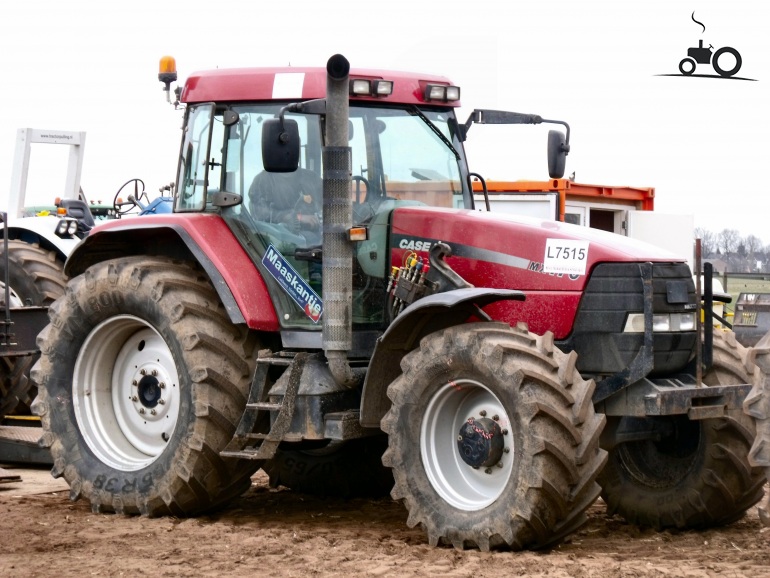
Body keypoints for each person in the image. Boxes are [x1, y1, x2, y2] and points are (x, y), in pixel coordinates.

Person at [248, 168, 322, 240]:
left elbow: (327, 204)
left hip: (314, 242)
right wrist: (296, 217)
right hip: (274, 240)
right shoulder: (262, 181)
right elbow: (259, 213)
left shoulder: (312, 178)